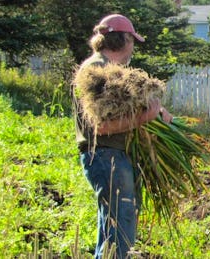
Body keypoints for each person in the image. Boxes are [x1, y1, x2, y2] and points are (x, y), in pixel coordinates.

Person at [73, 14, 172, 259]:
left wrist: (155, 113)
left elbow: (121, 113)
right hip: (107, 158)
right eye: (131, 41)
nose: (133, 48)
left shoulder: (109, 70)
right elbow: (99, 127)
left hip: (114, 158)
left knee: (114, 230)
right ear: (122, 39)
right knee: (119, 230)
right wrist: (145, 118)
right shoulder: (96, 70)